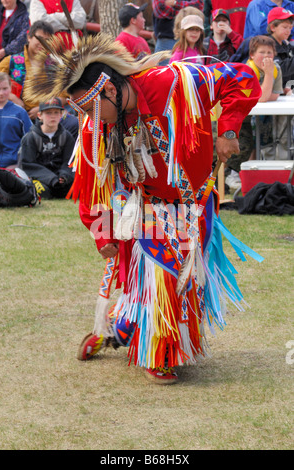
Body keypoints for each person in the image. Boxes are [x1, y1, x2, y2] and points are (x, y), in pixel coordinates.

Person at [25, 32, 263, 384]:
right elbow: (93, 183)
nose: (88, 118)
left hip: (196, 202)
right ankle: (158, 348)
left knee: (186, 280)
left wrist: (228, 131)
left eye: (89, 107)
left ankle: (124, 329)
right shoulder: (97, 126)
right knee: (160, 274)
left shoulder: (175, 82)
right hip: (149, 206)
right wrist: (100, 231)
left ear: (109, 89)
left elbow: (243, 78)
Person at [226, 35, 284, 189]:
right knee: (244, 142)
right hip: (237, 116)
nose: (266, 56)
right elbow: (264, 97)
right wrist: (268, 75)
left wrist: (269, 76)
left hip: (258, 114)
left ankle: (263, 173)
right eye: (262, 52)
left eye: (269, 53)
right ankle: (232, 174)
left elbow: (274, 95)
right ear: (252, 55)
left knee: (268, 134)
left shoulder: (276, 68)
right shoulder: (247, 70)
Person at [0, 21, 55, 121]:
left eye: (47, 40)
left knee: (73, 123)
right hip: (14, 113)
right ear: (29, 37)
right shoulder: (11, 61)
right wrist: (12, 98)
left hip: (48, 114)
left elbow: (64, 95)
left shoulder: (55, 65)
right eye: (39, 38)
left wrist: (43, 107)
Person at [19, 97, 75, 199]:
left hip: (60, 177)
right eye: (48, 113)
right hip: (41, 178)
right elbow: (27, 165)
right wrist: (51, 178)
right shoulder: (30, 137)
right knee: (44, 191)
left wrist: (64, 176)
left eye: (56, 112)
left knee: (76, 189)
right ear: (40, 115)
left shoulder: (67, 136)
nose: (53, 116)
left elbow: (70, 162)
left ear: (61, 114)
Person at [0, 72, 31, 168]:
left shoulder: (20, 113)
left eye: (5, 89)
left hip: (14, 165)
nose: (1, 93)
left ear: (11, 88)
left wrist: (20, 164)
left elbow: (29, 141)